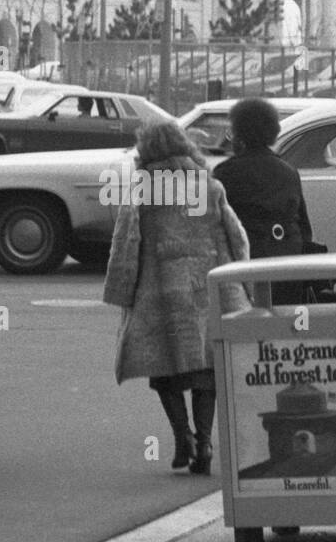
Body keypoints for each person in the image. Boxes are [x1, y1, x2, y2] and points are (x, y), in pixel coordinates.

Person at [103, 120, 250, 474]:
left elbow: (126, 243)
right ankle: (205, 443)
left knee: (164, 369)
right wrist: (242, 279)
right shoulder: (208, 185)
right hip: (207, 290)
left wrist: (123, 291)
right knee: (205, 369)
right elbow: (236, 237)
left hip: (159, 292)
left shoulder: (143, 189)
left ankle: (182, 437)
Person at [213, 97, 313, 305]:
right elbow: (304, 227)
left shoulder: (225, 173)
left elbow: (215, 225)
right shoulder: (288, 172)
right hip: (288, 261)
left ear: (240, 134)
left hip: (246, 265)